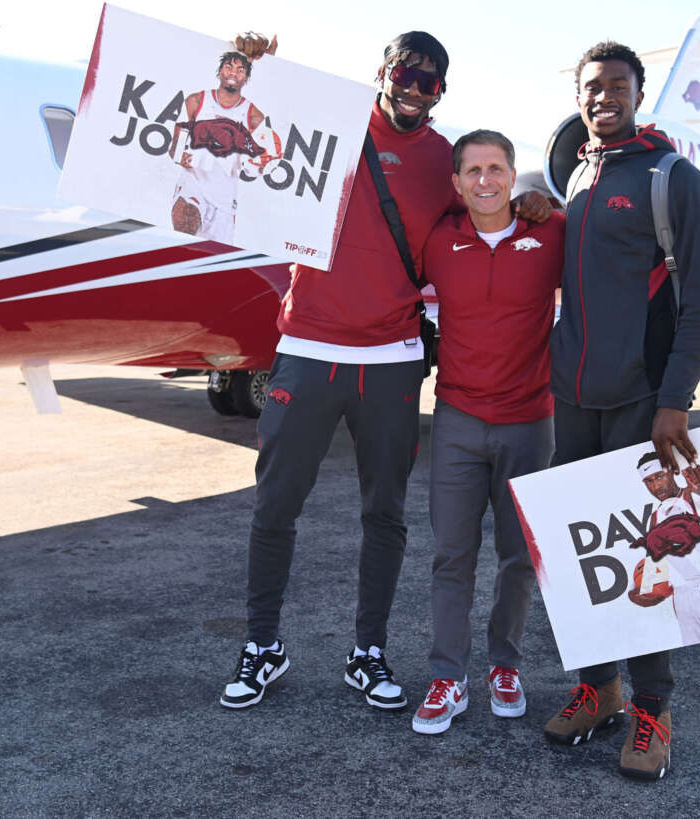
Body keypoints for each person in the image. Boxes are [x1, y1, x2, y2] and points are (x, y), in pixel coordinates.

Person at [220, 33, 550, 713]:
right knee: (276, 504)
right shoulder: (327, 123)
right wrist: (250, 64)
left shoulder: (446, 162)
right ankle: (262, 644)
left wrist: (541, 205)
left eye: (431, 83)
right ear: (382, 71)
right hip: (308, 349)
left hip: (394, 359)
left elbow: (490, 214)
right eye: (406, 73)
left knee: (385, 514)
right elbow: (237, 123)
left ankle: (367, 651)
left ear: (441, 93)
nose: (415, 88)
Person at [542, 41, 700, 781]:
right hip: (573, 404)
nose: (604, 95)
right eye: (593, 86)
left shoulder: (670, 176)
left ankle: (654, 707)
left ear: (638, 93)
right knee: (582, 558)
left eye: (618, 85)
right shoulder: (581, 173)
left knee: (648, 559)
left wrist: (674, 401)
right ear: (580, 96)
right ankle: (598, 687)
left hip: (640, 401)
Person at [410, 130, 564, 735]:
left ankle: (506, 665)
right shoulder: (438, 242)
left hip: (532, 421)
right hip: (458, 421)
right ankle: (449, 675)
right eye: (472, 170)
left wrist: (553, 206)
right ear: (456, 182)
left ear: (513, 174)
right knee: (451, 555)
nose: (484, 180)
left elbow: (603, 251)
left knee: (518, 557)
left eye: (496, 168)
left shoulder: (550, 233)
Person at [629, 453, 700, 645]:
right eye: (649, 481)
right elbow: (656, 563)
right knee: (699, 656)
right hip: (681, 595)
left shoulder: (693, 494)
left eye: (659, 476)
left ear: (671, 472)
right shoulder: (656, 517)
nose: (656, 486)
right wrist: (645, 592)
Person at [170, 42, 279, 243]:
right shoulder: (196, 101)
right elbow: (175, 144)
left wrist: (263, 164)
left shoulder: (254, 117)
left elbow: (262, 161)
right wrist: (179, 155)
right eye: (228, 67)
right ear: (220, 71)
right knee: (184, 227)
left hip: (224, 202)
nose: (233, 73)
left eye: (240, 70)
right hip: (193, 182)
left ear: (246, 78)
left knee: (205, 264)